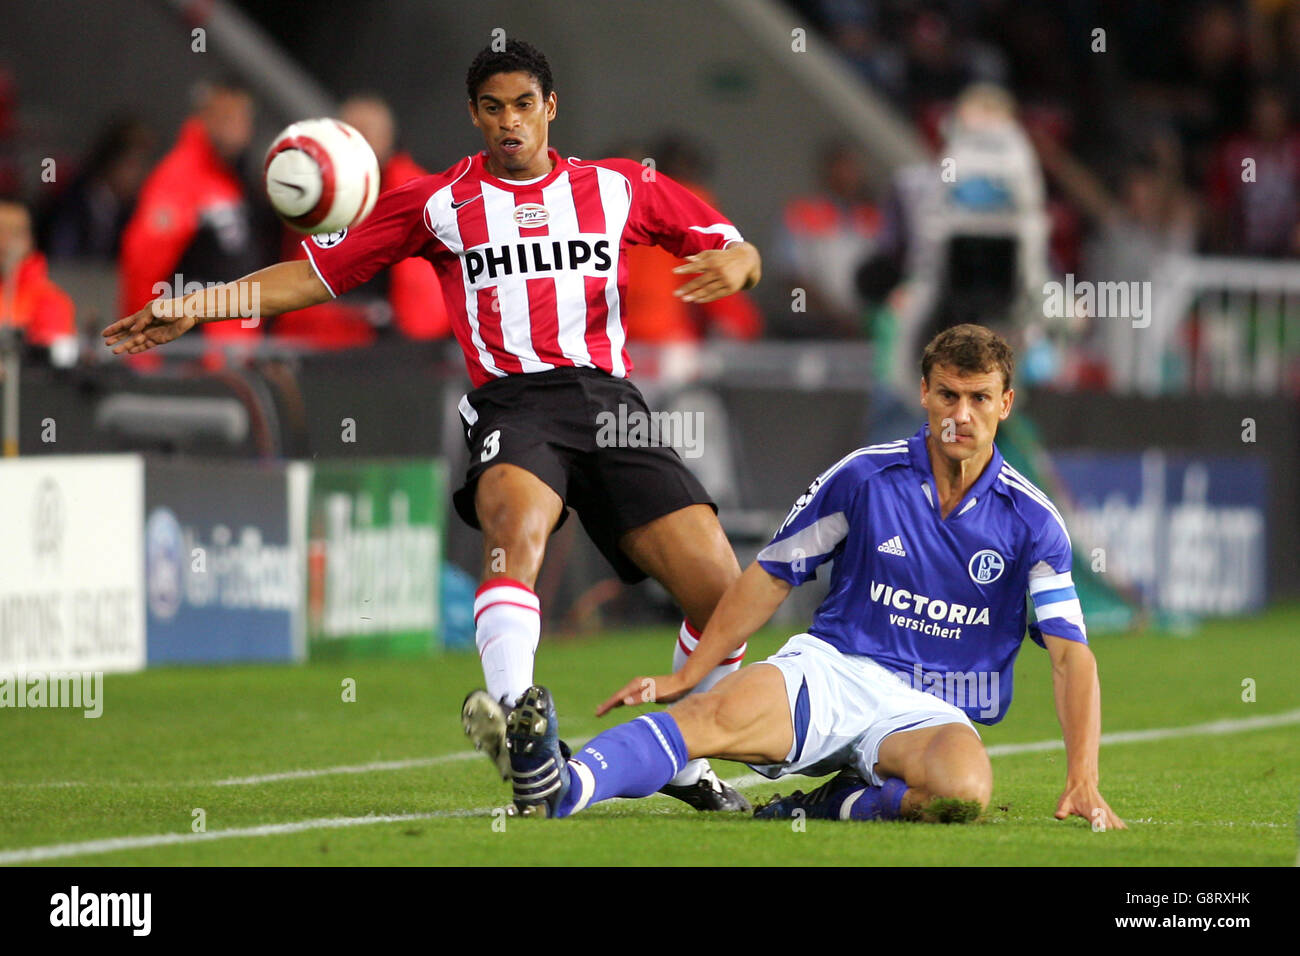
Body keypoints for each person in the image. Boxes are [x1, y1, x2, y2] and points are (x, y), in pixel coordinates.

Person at [102, 39, 762, 812]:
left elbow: (733, 244)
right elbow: (310, 279)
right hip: (515, 405)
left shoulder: (621, 187)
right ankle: (527, 730)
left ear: (550, 108)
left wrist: (740, 266)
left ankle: (680, 752)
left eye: (523, 105)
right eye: (493, 108)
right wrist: (195, 302)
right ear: (474, 115)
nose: (509, 123)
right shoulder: (433, 201)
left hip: (610, 404)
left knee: (724, 592)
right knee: (515, 532)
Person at [499, 324, 1126, 833]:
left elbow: (1073, 657)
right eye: (948, 395)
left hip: (933, 709)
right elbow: (771, 574)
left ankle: (833, 803)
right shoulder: (863, 477)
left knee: (962, 794)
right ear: (924, 395)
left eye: (979, 398)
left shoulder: (1033, 521)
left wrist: (1083, 778)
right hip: (833, 672)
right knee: (708, 718)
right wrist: (690, 673)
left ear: (1005, 404)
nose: (961, 415)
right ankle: (562, 786)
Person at [117, 78, 265, 358]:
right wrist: (143, 346)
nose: (237, 127)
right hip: (195, 350)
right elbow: (143, 265)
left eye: (243, 118)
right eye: (226, 117)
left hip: (234, 345)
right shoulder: (179, 177)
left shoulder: (234, 176)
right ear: (204, 117)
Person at [0, 197, 77, 367]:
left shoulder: (50, 299)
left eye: (12, 233)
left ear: (28, 240)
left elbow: (55, 359)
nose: (4, 242)